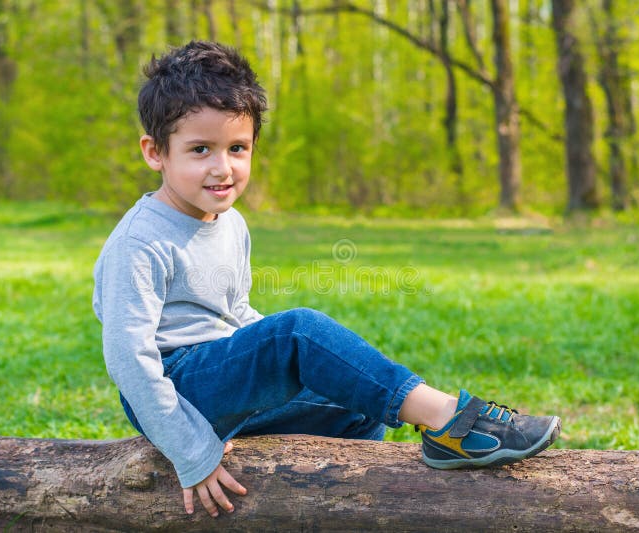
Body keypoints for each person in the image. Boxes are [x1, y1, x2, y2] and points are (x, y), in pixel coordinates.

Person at [92, 40, 561, 519]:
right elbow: (130, 362)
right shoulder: (140, 241)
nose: (223, 167)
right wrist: (191, 451)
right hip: (178, 386)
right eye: (200, 150)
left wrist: (281, 361)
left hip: (224, 381)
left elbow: (236, 316)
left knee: (356, 402)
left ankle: (331, 508)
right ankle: (449, 419)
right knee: (297, 332)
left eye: (237, 148)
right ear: (155, 153)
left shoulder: (229, 222)